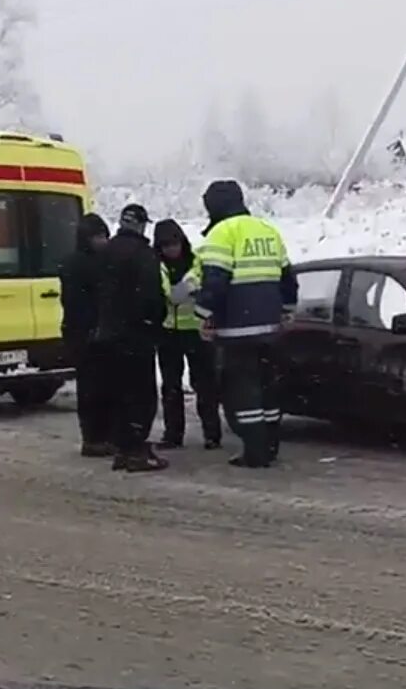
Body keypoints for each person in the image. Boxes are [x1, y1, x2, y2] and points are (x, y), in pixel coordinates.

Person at [194, 180, 297, 469]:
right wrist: (287, 310)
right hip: (270, 329)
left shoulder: (222, 233)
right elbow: (288, 278)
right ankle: (270, 446)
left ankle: (255, 451)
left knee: (242, 392)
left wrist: (203, 315)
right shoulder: (267, 230)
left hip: (237, 330)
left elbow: (215, 281)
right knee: (267, 389)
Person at [95, 203, 170, 473]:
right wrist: (155, 321)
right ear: (140, 225)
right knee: (140, 394)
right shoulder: (143, 254)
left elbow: (96, 291)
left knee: (118, 392)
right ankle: (137, 449)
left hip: (108, 335)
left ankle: (123, 448)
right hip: (136, 336)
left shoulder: (105, 252)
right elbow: (151, 297)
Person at [153, 218, 223, 450]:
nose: (171, 249)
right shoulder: (156, 266)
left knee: (205, 385)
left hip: (196, 331)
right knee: (171, 387)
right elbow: (167, 295)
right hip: (168, 332)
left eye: (174, 243)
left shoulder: (197, 263)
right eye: (165, 245)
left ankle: (212, 434)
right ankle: (173, 434)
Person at [60, 213, 114, 458]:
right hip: (86, 334)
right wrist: (91, 329)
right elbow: (77, 304)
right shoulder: (78, 265)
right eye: (97, 237)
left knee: (104, 388)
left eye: (104, 236)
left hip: (97, 332)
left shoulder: (98, 261)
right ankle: (93, 438)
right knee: (92, 389)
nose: (102, 241)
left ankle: (103, 435)